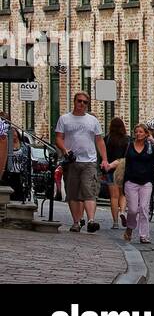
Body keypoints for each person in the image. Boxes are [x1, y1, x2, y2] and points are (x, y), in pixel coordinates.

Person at [54, 92, 108, 233]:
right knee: (73, 193)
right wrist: (65, 150)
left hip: (89, 161)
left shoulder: (92, 121)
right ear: (74, 101)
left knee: (88, 191)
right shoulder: (64, 119)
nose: (82, 104)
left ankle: (91, 220)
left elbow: (99, 140)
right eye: (80, 101)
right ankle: (76, 222)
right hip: (71, 161)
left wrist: (105, 159)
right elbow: (59, 138)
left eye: (85, 102)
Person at [117, 123, 154, 244]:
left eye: (141, 132)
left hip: (147, 181)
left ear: (146, 134)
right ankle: (130, 227)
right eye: (136, 132)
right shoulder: (129, 146)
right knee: (133, 210)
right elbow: (121, 160)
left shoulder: (151, 147)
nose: (138, 134)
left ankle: (144, 235)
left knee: (144, 208)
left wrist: (153, 141)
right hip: (131, 181)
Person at [104, 116, 129, 230]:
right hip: (123, 169)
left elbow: (103, 155)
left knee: (113, 197)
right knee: (123, 194)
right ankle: (123, 211)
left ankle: (115, 222)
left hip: (110, 170)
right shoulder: (127, 139)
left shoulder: (107, 139)